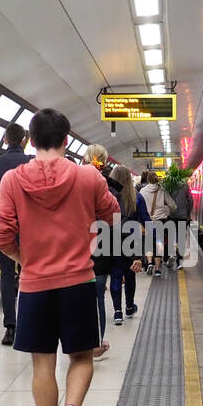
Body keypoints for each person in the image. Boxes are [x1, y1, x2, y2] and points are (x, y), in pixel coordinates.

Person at [0, 108, 119, 406]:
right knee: (80, 356)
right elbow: (111, 216)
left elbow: (2, 236)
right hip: (78, 281)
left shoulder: (12, 181)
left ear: (31, 142)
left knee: (42, 364)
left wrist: (26, 259)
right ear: (66, 140)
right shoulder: (88, 178)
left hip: (34, 287)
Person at [0, 122, 32, 345]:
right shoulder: (32, 162)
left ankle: (10, 327)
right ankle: (31, 322)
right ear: (24, 141)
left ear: (4, 140)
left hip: (5, 228)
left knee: (7, 275)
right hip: (32, 229)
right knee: (32, 272)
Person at [84, 144, 115, 359]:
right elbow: (115, 220)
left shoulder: (71, 179)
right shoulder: (111, 186)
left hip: (78, 246)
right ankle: (96, 342)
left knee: (79, 296)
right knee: (98, 298)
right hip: (102, 246)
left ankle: (80, 342)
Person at [109, 164, 146, 325]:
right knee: (130, 274)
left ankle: (117, 313)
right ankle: (129, 307)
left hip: (111, 239)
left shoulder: (107, 196)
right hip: (132, 241)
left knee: (116, 275)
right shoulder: (136, 197)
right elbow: (146, 221)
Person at [138, 171, 175, 274]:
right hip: (160, 220)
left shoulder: (142, 191)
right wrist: (167, 211)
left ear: (148, 180)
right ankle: (158, 269)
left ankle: (150, 263)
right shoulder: (162, 190)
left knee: (149, 242)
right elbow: (172, 205)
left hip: (147, 220)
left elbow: (138, 206)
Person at [167, 175, 193, 266]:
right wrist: (188, 213)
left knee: (171, 236)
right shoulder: (185, 186)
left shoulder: (169, 185)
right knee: (181, 238)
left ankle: (171, 254)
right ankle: (179, 260)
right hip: (182, 216)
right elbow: (190, 200)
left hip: (171, 215)